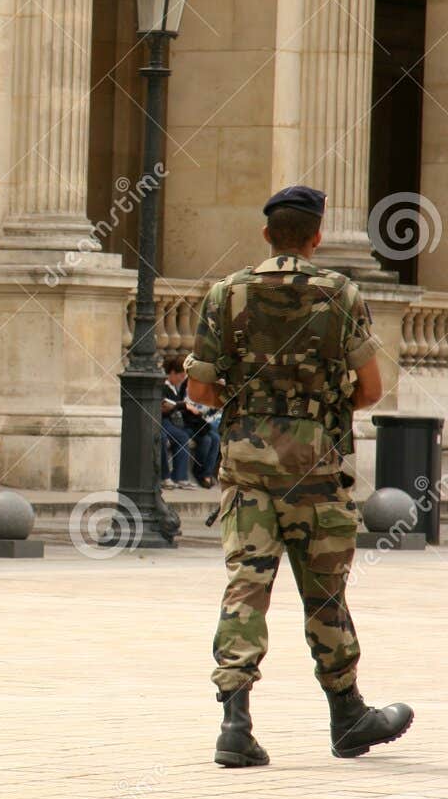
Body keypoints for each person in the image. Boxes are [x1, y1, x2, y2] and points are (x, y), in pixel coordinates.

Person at [185, 185, 412, 767]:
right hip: (315, 469)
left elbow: (201, 390)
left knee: (246, 586)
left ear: (267, 234)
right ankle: (347, 715)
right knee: (324, 594)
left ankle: (235, 726)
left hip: (247, 469)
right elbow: (371, 389)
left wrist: (251, 404)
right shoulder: (341, 294)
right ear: (317, 236)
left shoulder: (226, 293)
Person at [161, 356, 218, 488]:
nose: (182, 379)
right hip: (170, 421)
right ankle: (177, 476)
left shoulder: (175, 387)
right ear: (172, 373)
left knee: (213, 437)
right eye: (181, 376)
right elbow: (166, 406)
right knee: (183, 437)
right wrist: (183, 406)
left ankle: (205, 473)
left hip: (184, 421)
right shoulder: (165, 386)